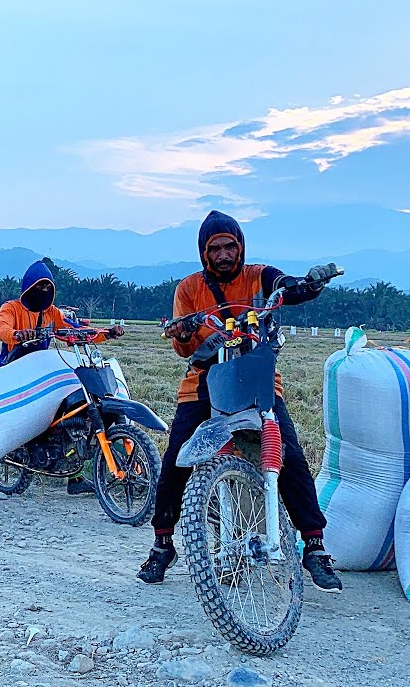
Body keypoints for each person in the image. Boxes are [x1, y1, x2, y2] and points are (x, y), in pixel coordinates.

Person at [136, 210, 343, 593]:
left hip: (257, 377)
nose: (224, 254)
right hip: (205, 380)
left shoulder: (257, 276)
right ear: (203, 252)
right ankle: (163, 544)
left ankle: (314, 545)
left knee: (290, 455)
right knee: (175, 459)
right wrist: (182, 333)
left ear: (241, 246)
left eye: (230, 246)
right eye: (215, 248)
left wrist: (309, 285)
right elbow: (184, 350)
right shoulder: (188, 289)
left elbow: (286, 286)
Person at [0, 260, 122, 495]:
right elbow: (2, 329)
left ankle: (75, 478)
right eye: (38, 287)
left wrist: (105, 334)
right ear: (28, 287)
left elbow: (74, 330)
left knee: (64, 417)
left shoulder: (52, 313)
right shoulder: (11, 308)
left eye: (47, 288)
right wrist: (18, 334)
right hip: (12, 369)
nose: (43, 292)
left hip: (42, 374)